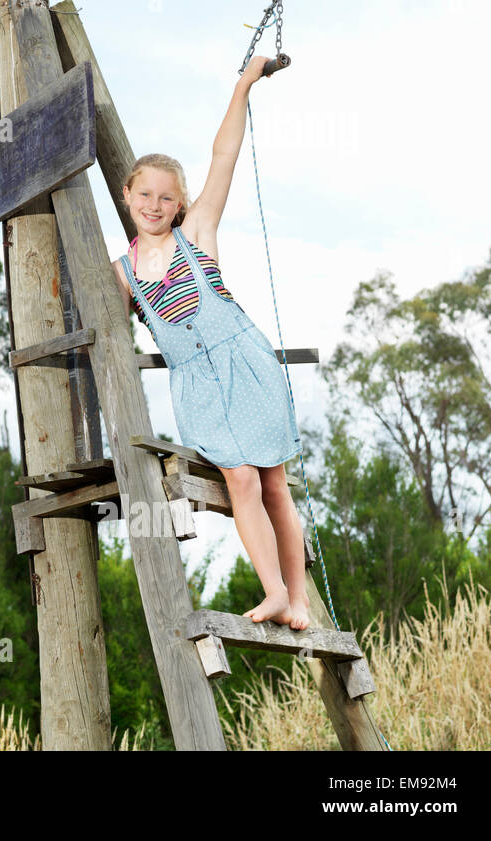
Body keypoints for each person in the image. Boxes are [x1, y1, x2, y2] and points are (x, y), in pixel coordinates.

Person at [112, 55, 310, 630]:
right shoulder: (122, 272)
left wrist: (245, 83)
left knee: (272, 478)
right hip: (195, 382)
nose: (155, 205)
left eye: (166, 197)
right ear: (127, 196)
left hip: (244, 361)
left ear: (180, 203)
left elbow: (225, 155)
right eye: (144, 194)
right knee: (239, 477)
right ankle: (273, 591)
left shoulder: (196, 232)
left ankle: (296, 600)